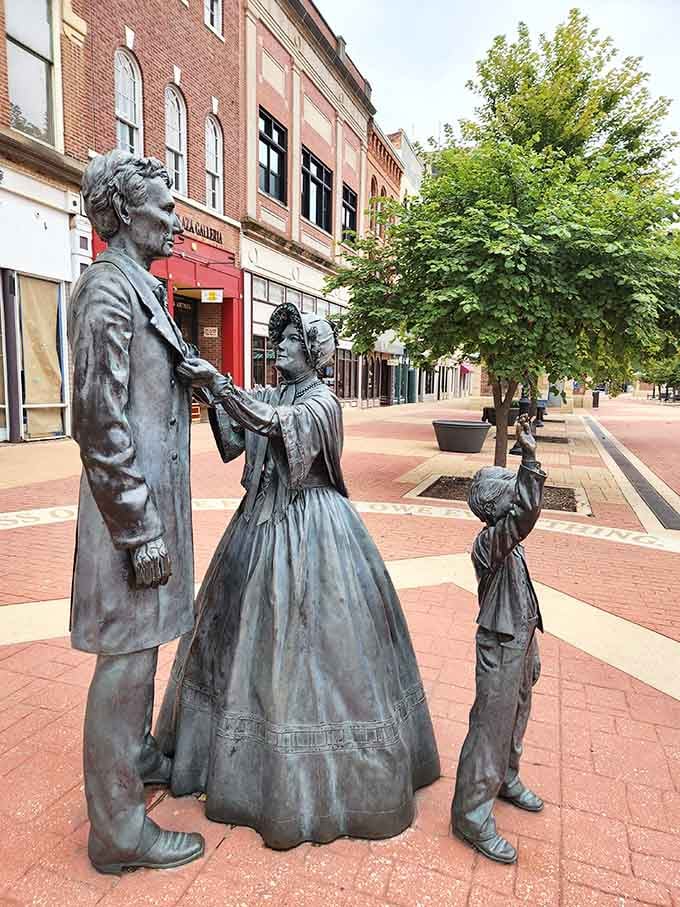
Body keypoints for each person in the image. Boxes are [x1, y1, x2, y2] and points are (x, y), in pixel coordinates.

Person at [155, 302, 440, 850]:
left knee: (314, 641)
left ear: (312, 352)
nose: (278, 348)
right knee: (241, 634)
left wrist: (217, 382)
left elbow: (271, 426)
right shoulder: (273, 393)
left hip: (311, 525)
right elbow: (240, 432)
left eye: (289, 342)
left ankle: (318, 778)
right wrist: (209, 386)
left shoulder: (322, 403)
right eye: (277, 340)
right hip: (257, 526)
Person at [69, 150, 206, 874]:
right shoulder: (105, 293)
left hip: (154, 508)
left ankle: (138, 755)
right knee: (123, 663)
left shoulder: (147, 291)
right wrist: (139, 526)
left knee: (145, 646)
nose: (174, 217)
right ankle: (118, 831)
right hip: (129, 521)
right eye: (162, 205)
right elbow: (97, 420)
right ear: (124, 214)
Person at [451, 414, 545, 864]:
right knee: (489, 729)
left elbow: (523, 594)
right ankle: (471, 815)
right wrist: (530, 460)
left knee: (518, 715)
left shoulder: (511, 542)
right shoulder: (491, 542)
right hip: (500, 644)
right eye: (510, 489)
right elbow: (526, 515)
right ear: (495, 507)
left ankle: (507, 778)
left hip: (520, 638)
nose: (517, 496)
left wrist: (534, 646)